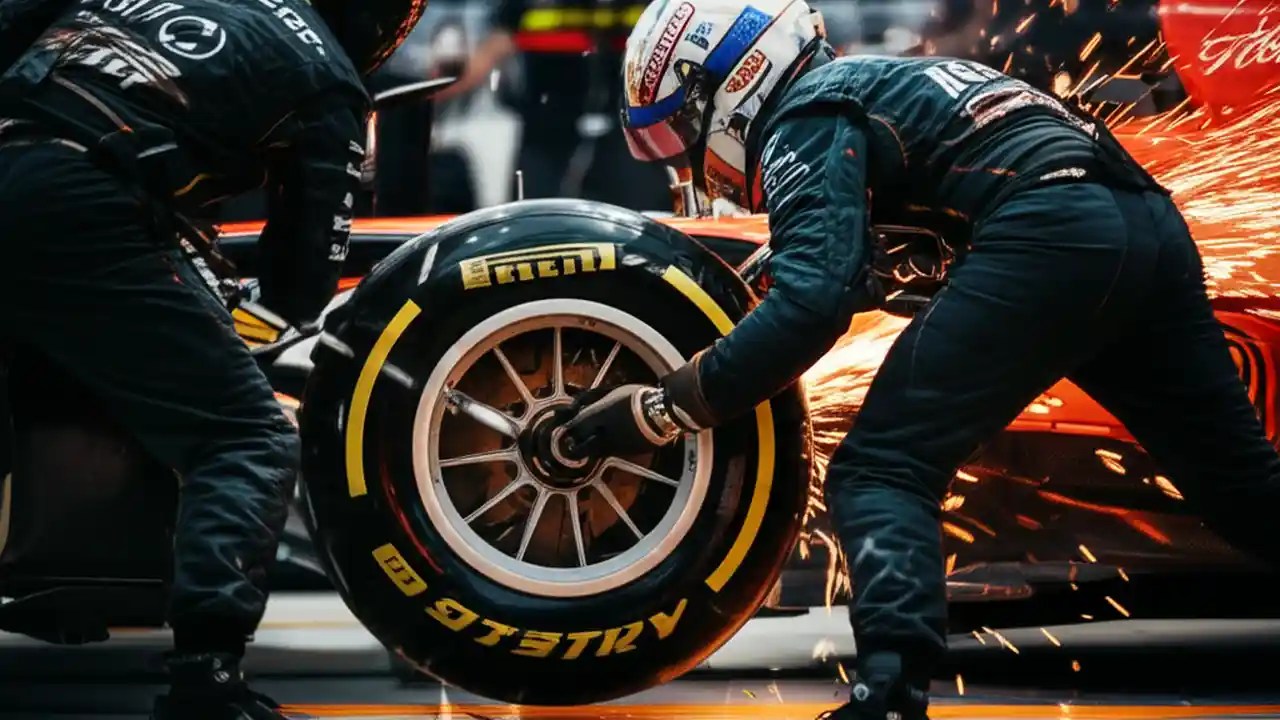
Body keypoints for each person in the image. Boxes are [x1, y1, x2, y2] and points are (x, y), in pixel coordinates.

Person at [558, 0, 1280, 717]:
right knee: (1246, 492)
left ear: (732, 77)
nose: (695, 158)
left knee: (881, 467)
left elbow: (813, 307)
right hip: (1148, 224)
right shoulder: (877, 83)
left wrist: (663, 408)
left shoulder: (803, 116)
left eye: (685, 125)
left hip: (1053, 234)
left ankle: (890, 697)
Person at [0, 1, 425, 718]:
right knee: (245, 435)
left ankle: (67, 574)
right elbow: (302, 279)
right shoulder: (324, 73)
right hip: (77, 200)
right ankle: (206, 678)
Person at [435, 0, 670, 210]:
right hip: (546, 132)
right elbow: (490, 49)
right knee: (533, 222)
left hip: (631, 132)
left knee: (644, 219)